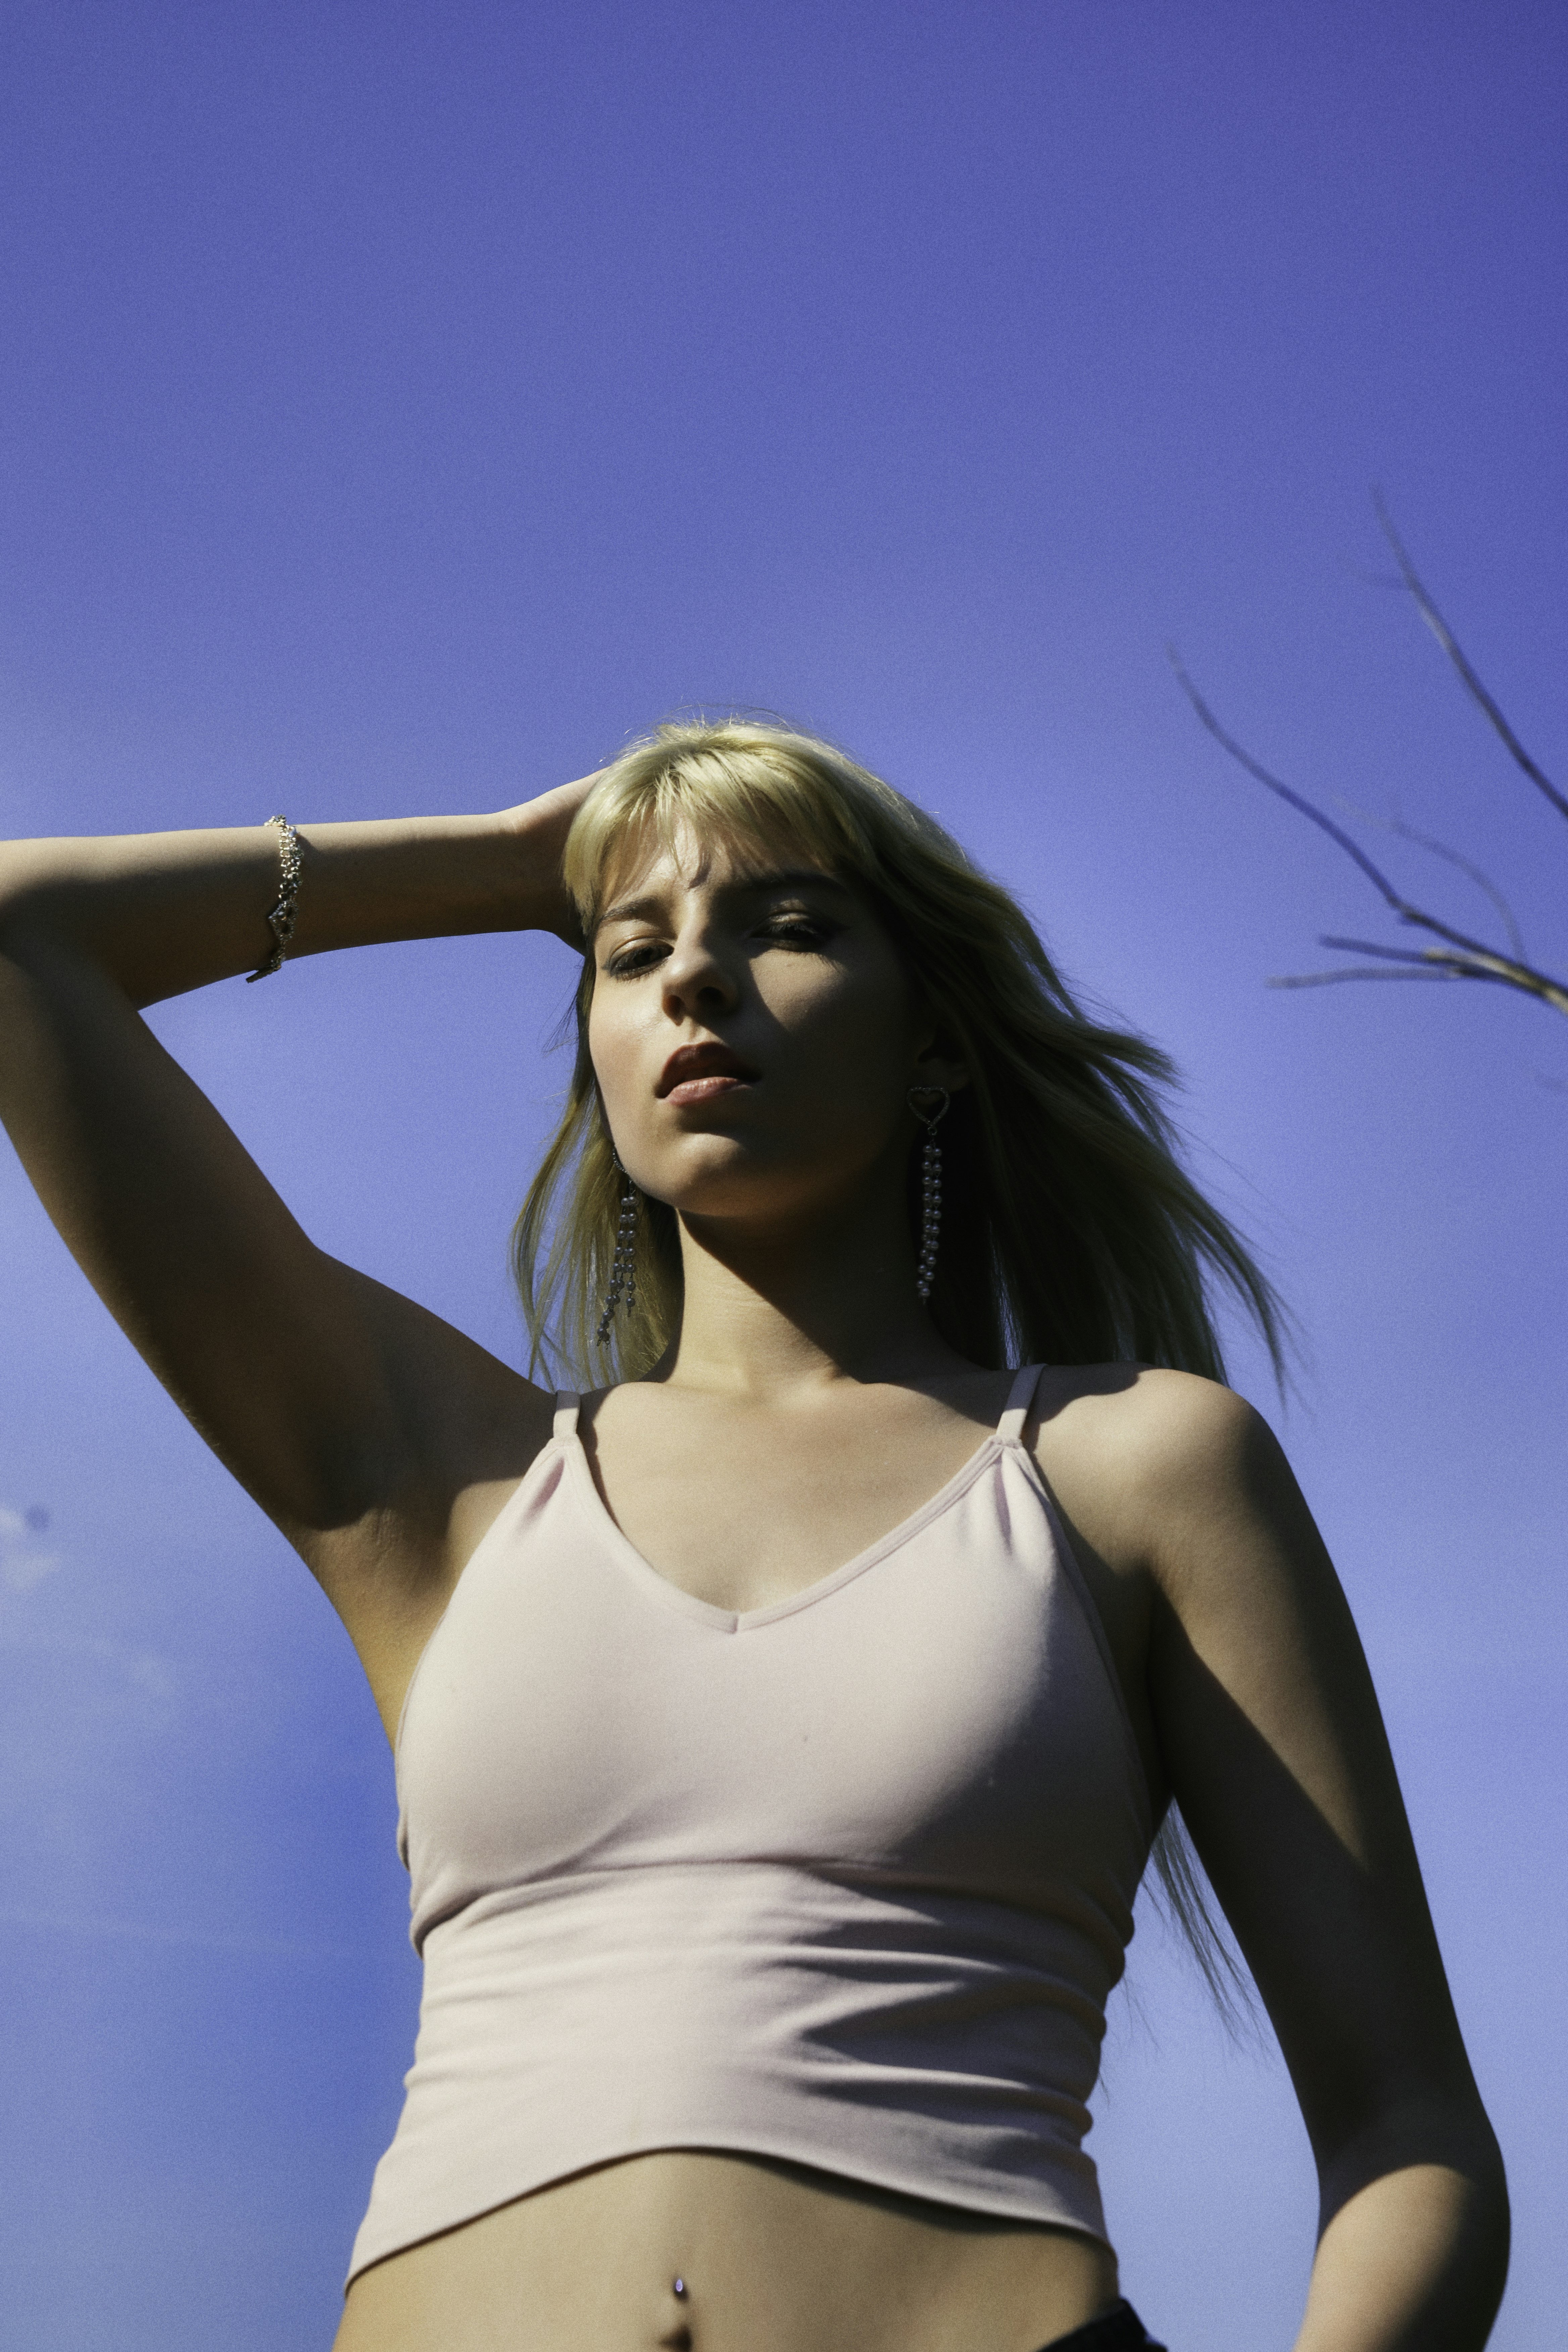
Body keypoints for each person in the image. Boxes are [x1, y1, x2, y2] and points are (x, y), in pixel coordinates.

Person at [0, 720, 1507, 2352]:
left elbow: (1405, 2131)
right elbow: (25, 941)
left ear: (936, 1038)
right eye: (636, 953)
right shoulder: (445, 1482)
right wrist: (523, 864)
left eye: (786, 930)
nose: (696, 981)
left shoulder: (1131, 1466)